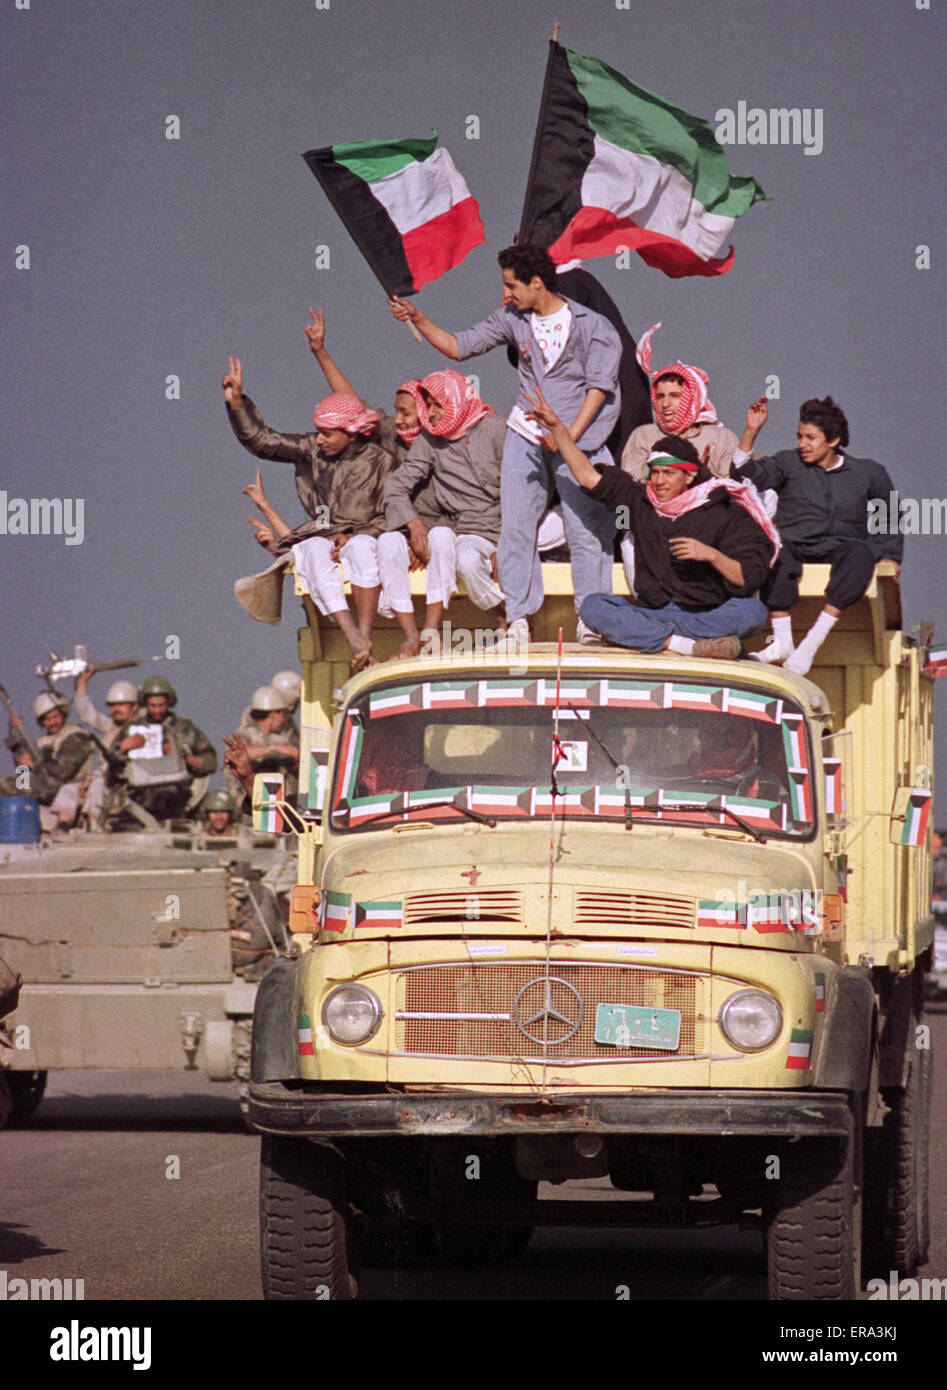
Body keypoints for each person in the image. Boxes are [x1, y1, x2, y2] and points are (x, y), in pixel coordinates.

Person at [388, 242, 622, 644]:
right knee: (516, 527)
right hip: (526, 436)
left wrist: (568, 437)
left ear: (537, 283)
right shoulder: (514, 318)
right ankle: (518, 619)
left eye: (513, 285)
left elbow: (599, 389)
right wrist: (419, 318)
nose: (506, 293)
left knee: (586, 526)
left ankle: (592, 619)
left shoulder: (593, 325)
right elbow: (460, 347)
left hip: (578, 439)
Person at [525, 389, 778, 657]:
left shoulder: (723, 511)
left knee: (752, 613)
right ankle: (685, 645)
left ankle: (652, 638)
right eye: (655, 473)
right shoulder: (640, 501)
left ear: (689, 477)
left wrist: (711, 555)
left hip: (705, 613)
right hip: (654, 613)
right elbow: (588, 478)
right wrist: (558, 429)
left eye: (668, 473)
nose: (658, 481)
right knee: (593, 607)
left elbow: (748, 577)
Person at [222, 358, 394, 671]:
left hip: (367, 536)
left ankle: (365, 637)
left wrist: (360, 534)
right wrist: (236, 404)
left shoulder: (381, 461)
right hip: (323, 532)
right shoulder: (310, 451)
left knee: (361, 549)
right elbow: (262, 441)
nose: (319, 439)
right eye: (318, 432)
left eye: (327, 434)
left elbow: (394, 512)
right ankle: (353, 636)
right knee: (309, 549)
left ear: (352, 433)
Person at [304, 309, 457, 646]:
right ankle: (406, 637)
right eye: (398, 412)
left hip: (440, 534)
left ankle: (431, 633)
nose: (399, 419)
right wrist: (321, 352)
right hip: (396, 533)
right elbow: (354, 407)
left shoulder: (448, 444)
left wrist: (426, 536)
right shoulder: (391, 436)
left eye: (406, 412)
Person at [733, 396, 903, 674]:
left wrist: (890, 555)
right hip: (794, 542)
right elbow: (746, 477)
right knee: (773, 549)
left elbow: (889, 511)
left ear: (833, 440)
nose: (802, 444)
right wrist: (751, 432)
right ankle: (782, 641)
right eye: (799, 436)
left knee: (862, 554)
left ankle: (811, 644)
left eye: (810, 438)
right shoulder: (788, 463)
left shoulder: (867, 472)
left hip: (843, 545)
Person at [382, 370, 507, 656]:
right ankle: (505, 618)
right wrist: (413, 525)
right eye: (428, 406)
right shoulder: (430, 441)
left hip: (512, 527)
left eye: (438, 404)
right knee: (464, 561)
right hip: (472, 531)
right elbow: (396, 485)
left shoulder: (497, 429)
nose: (432, 413)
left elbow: (525, 487)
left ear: (456, 398)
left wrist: (512, 542)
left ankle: (517, 625)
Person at [111, 676, 217, 822]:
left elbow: (211, 762)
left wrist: (187, 759)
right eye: (152, 706)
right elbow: (112, 766)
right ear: (145, 704)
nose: (157, 710)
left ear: (169, 703)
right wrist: (122, 748)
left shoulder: (185, 729)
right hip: (138, 796)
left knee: (166, 795)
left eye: (161, 705)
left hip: (177, 795)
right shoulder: (132, 730)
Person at [1, 692, 95, 829]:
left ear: (63, 714)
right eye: (47, 719)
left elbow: (63, 771)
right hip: (46, 786)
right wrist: (17, 744)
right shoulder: (43, 741)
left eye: (55, 717)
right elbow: (23, 775)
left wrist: (34, 765)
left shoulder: (76, 736)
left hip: (69, 788)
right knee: (7, 785)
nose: (52, 722)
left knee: (8, 785)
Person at [72, 665, 140, 827]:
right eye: (112, 705)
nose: (116, 709)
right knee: (69, 790)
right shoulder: (110, 726)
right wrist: (83, 681)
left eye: (122, 704)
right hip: (106, 778)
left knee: (97, 786)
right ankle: (65, 826)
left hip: (131, 784)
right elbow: (85, 713)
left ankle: (94, 828)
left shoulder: (142, 729)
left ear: (134, 707)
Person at [225, 685, 299, 804]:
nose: (284, 720)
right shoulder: (247, 733)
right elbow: (239, 753)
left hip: (279, 804)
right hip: (251, 804)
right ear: (272, 713)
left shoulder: (279, 738)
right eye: (283, 714)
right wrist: (276, 749)